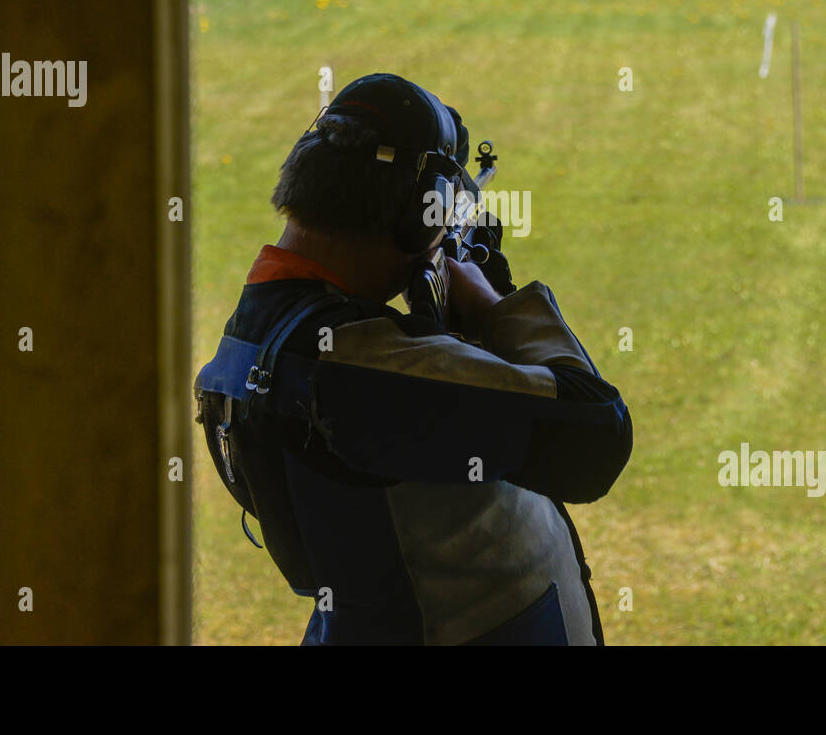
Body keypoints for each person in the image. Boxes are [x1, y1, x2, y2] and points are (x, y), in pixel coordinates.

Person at [194, 72, 632, 645]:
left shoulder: (260, 330)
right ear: (420, 215)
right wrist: (499, 308)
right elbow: (596, 433)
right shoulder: (363, 365)